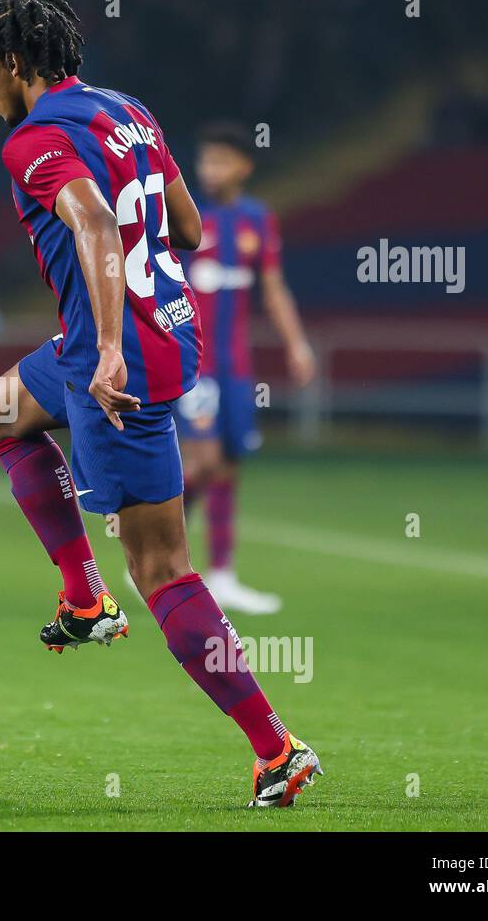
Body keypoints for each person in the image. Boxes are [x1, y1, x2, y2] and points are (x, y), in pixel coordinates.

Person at [0, 0, 321, 807]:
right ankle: (83, 593)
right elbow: (190, 230)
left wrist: (109, 350)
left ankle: (277, 749)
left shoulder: (32, 142)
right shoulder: (127, 111)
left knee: (162, 568)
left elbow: (94, 224)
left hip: (115, 358)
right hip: (159, 330)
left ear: (14, 63)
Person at [170, 122, 317, 614]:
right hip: (193, 362)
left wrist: (296, 343)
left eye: (219, 161)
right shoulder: (183, 217)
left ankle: (222, 574)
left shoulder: (258, 219)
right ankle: (158, 551)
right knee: (204, 462)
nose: (208, 170)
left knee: (229, 463)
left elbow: (273, 288)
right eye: (204, 161)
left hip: (236, 365)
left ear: (243, 167)